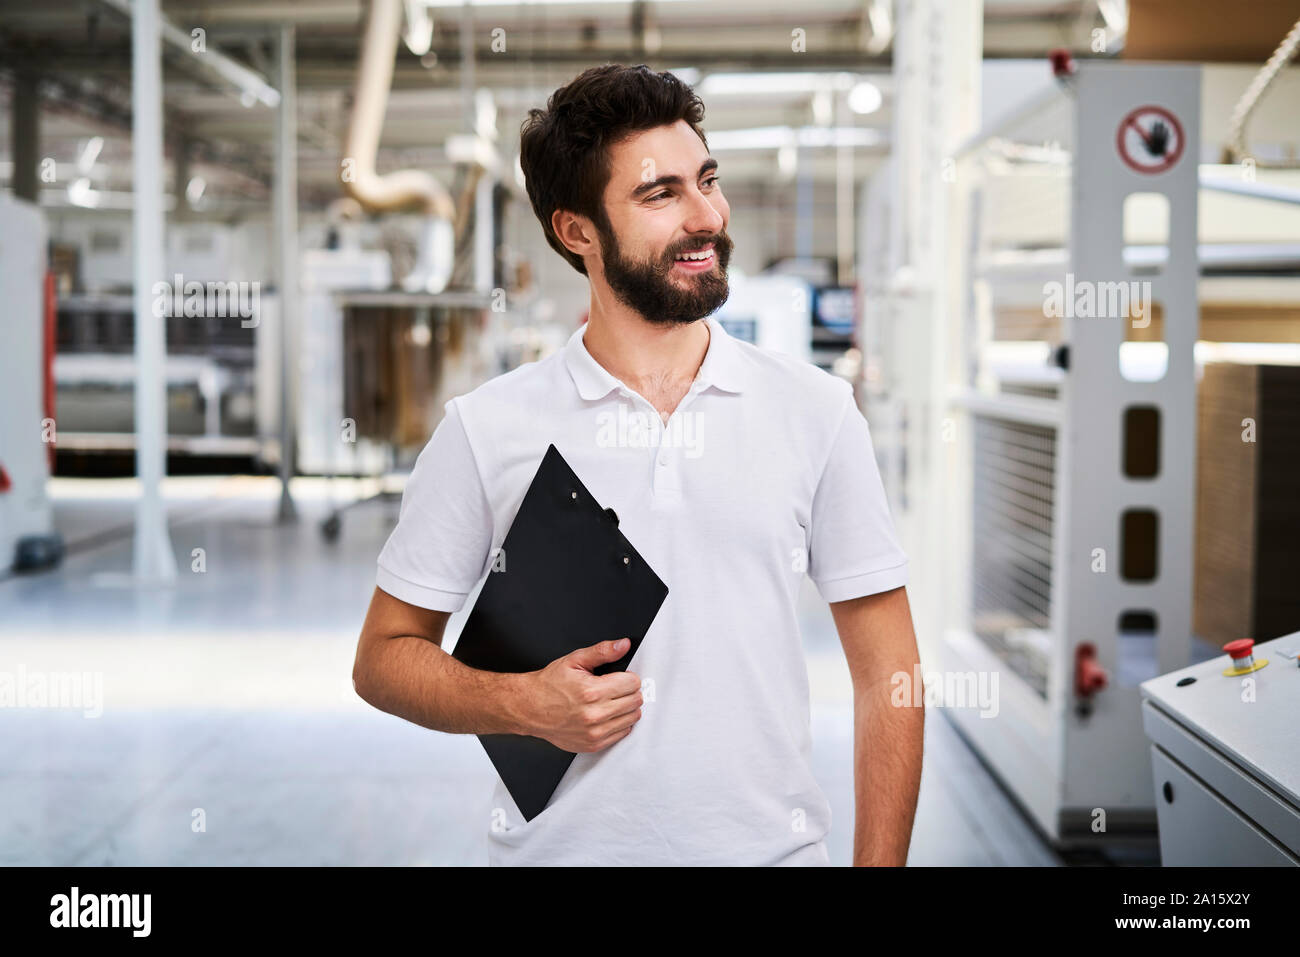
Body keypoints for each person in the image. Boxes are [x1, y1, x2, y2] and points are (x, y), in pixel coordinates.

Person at [352, 63, 922, 866]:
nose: (708, 217)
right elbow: (382, 659)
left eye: (708, 180)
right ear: (577, 230)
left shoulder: (815, 413)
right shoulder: (487, 430)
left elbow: (890, 675)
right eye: (662, 195)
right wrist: (521, 702)